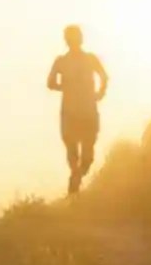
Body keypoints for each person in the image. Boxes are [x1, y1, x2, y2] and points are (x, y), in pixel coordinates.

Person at [46, 25, 109, 194]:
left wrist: (100, 92)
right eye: (71, 38)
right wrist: (67, 87)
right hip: (71, 112)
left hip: (86, 110)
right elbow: (50, 83)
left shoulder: (90, 59)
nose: (74, 41)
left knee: (87, 156)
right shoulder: (61, 61)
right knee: (73, 152)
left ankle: (76, 179)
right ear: (67, 41)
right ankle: (74, 185)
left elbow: (104, 76)